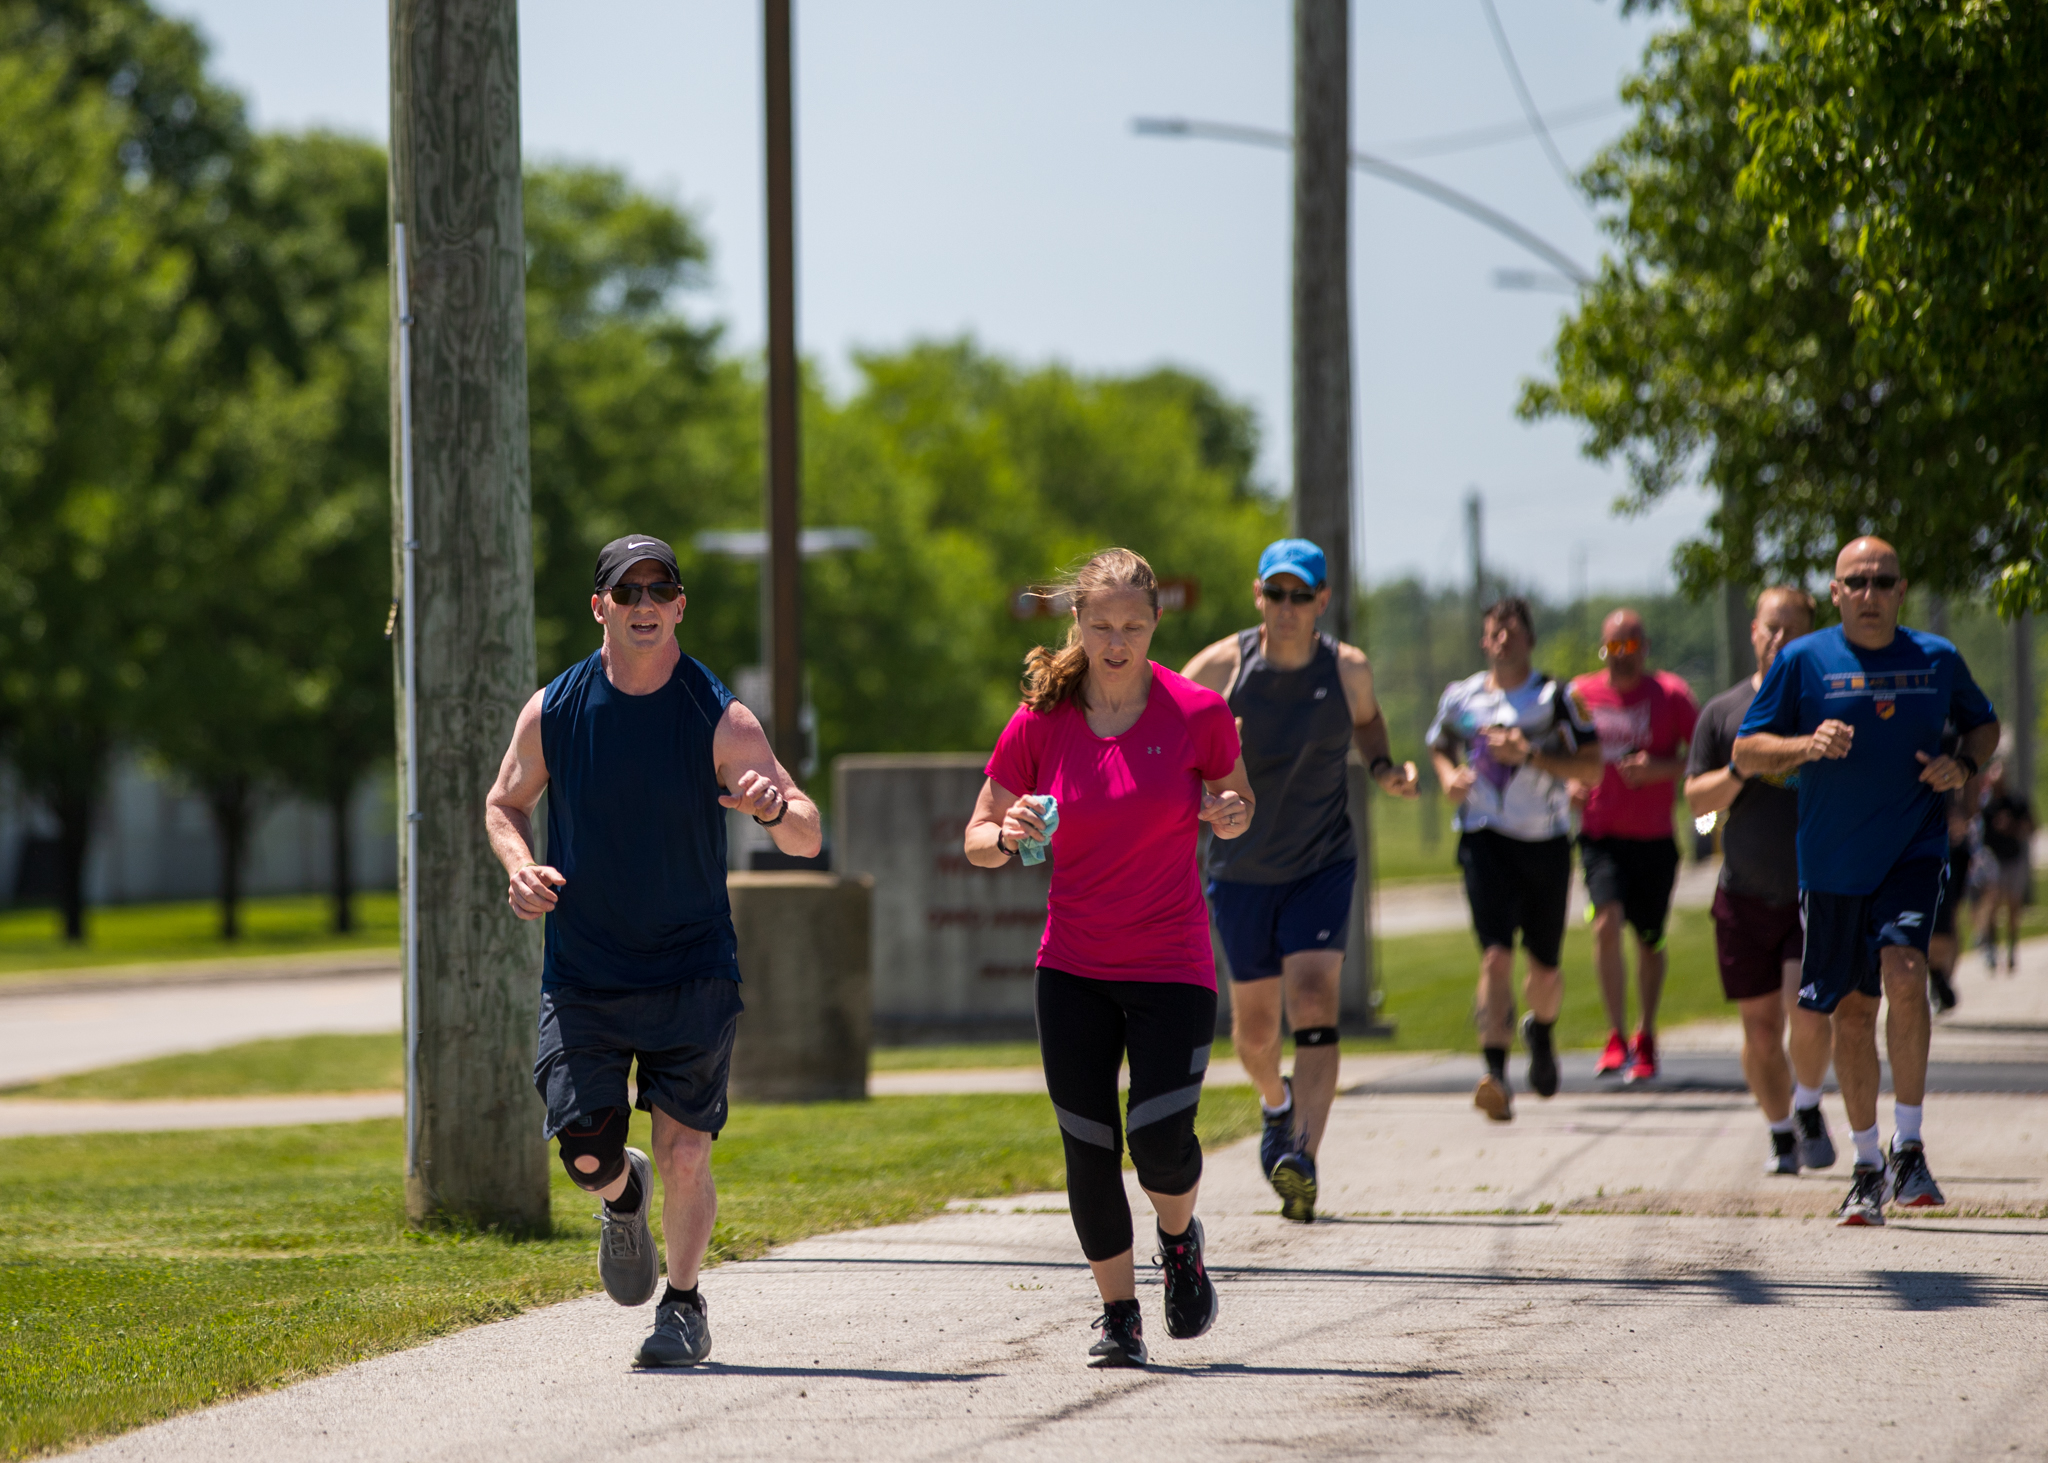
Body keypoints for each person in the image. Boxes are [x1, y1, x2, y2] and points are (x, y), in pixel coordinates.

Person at [484, 535, 822, 1366]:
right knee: (591, 1153)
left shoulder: (718, 715)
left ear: (678, 605)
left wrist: (775, 809)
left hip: (691, 965)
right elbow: (503, 802)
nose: (643, 603)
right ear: (598, 604)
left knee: (685, 1148)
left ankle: (682, 1303)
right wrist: (520, 866)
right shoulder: (553, 711)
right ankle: (620, 1193)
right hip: (586, 969)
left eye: (658, 588)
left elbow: (810, 835)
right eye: (624, 589)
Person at [965, 547, 1255, 1369]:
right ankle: (1119, 1313)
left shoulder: (1197, 711)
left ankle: (1179, 1236)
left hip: (1172, 962)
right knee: (1089, 1144)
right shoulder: (1042, 721)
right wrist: (1006, 831)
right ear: (1078, 625)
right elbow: (978, 835)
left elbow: (1236, 799)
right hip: (1073, 968)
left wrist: (1228, 812)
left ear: (1156, 622)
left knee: (1161, 1141)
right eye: (1101, 625)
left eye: (1132, 624)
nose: (1117, 640)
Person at [1735, 536, 1998, 1226]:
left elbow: (1984, 726)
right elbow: (1747, 748)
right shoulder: (1801, 661)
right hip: (1830, 864)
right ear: (1835, 592)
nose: (1871, 593)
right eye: (1857, 581)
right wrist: (1803, 745)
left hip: (1911, 847)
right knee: (1852, 1009)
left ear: (1901, 588)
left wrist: (1962, 768)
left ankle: (1909, 1146)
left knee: (1906, 972)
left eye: (1884, 580)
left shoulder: (1935, 658)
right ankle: (1864, 1165)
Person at [1182, 538, 1420, 1225]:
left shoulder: (1347, 669)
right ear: (1258, 595)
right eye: (1275, 593)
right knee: (1255, 1037)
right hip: (1241, 869)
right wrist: (1197, 792)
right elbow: (1169, 732)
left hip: (1322, 861)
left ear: (1322, 601)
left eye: (1301, 595)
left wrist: (1384, 769)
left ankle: (1303, 1157)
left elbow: (1370, 725)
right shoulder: (1223, 666)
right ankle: (1276, 1104)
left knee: (1315, 998)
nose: (1287, 608)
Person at [1427, 597, 1604, 1122]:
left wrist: (1528, 754)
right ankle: (1496, 1075)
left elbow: (1592, 767)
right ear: (1484, 641)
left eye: (1511, 629)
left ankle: (1541, 1031)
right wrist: (1447, 778)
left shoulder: (1556, 697)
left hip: (1545, 840)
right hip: (1484, 837)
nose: (1502, 638)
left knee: (1544, 972)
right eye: (1493, 631)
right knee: (1494, 956)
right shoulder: (1461, 698)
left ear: (1529, 638)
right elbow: (1439, 744)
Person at [1684, 587, 1840, 1174]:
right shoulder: (1723, 714)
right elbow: (1698, 809)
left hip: (1811, 887)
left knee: (1807, 1011)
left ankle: (1807, 1104)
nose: (1778, 641)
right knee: (1759, 1027)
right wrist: (1737, 772)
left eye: (1791, 630)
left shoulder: (1824, 709)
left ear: (1810, 636)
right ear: (1753, 632)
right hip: (1743, 890)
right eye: (1769, 629)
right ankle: (1780, 1133)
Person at [1571, 609, 1700, 1084]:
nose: (1621, 657)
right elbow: (1555, 753)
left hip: (1654, 839)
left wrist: (1657, 769)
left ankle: (1646, 1034)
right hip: (1600, 835)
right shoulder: (1581, 695)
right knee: (1605, 924)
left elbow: (1703, 757)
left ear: (1644, 647)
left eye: (1630, 646)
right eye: (1612, 648)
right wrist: (1569, 785)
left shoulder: (1670, 694)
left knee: (1649, 940)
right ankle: (1614, 1035)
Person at [1975, 759, 2033, 974]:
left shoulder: (2016, 802)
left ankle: (2011, 949)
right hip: (1993, 860)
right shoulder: (1986, 806)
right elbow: (1979, 835)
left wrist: (2013, 825)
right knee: (1992, 904)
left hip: (2014, 859)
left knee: (2013, 908)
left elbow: (2031, 826)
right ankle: (1990, 948)